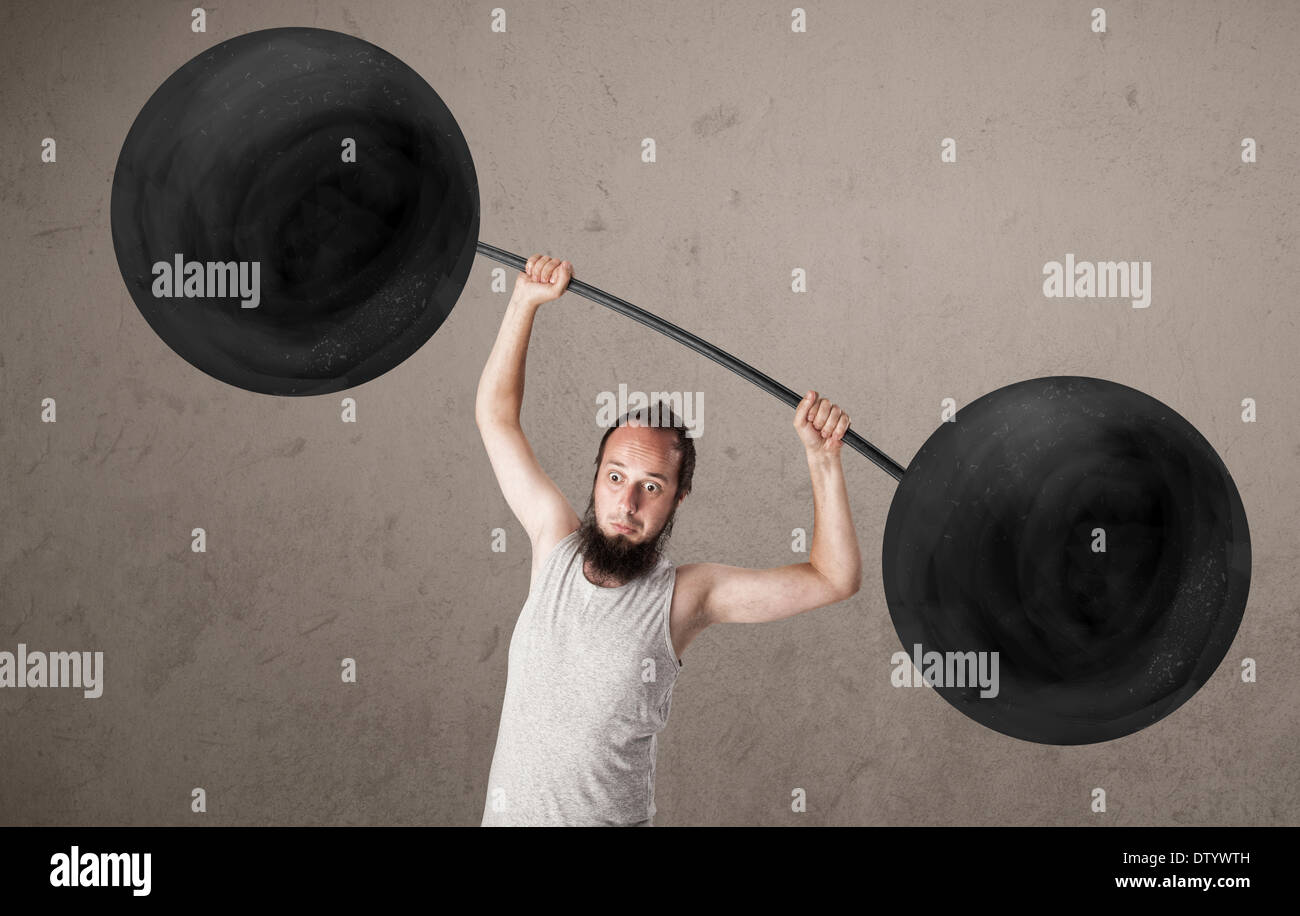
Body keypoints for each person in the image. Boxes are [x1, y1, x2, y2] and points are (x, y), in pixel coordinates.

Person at [475, 254, 861, 826]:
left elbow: (833, 577)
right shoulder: (553, 542)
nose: (626, 504)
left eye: (650, 487)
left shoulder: (685, 597)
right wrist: (524, 301)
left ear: (678, 498)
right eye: (615, 478)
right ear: (597, 477)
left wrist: (823, 459)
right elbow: (496, 417)